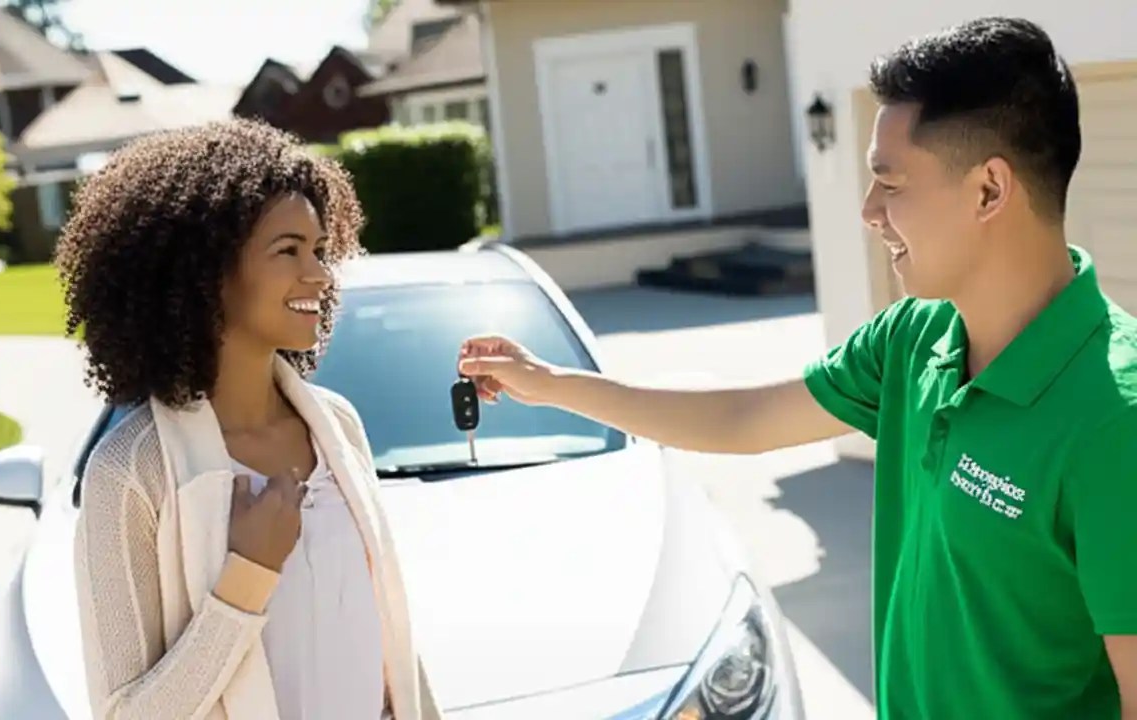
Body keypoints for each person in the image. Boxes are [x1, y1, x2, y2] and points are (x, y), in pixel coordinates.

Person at [458, 17, 1137, 720]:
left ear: (989, 192)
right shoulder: (915, 339)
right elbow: (746, 418)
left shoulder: (1117, 421)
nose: (869, 211)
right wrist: (552, 384)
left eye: (890, 183)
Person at [59, 119, 440, 720]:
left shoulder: (337, 426)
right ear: (205, 272)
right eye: (288, 250)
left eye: (319, 250)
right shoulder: (132, 472)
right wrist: (248, 577)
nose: (318, 273)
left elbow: (392, 648)